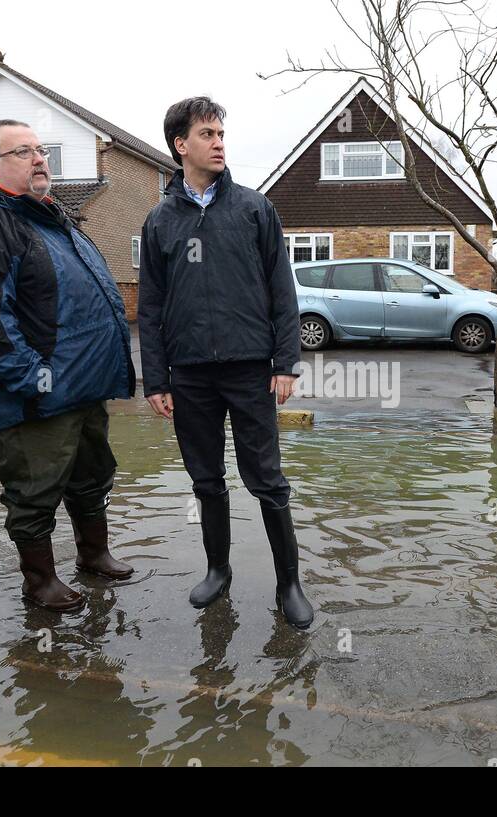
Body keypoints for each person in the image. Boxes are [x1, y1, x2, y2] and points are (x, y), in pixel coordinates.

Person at [0, 119, 136, 613]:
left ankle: (94, 555)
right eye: (24, 152)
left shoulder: (50, 216)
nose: (39, 159)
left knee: (92, 476)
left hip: (84, 386)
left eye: (42, 151)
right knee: (34, 492)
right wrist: (32, 379)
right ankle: (40, 581)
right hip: (41, 393)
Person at [138, 97, 313, 629]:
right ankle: (218, 569)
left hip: (249, 368)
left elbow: (283, 291)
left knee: (267, 478)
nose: (218, 143)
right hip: (190, 374)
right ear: (180, 145)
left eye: (221, 134)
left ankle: (290, 583)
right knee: (206, 478)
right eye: (208, 134)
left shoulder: (254, 209)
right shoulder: (160, 220)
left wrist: (285, 362)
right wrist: (157, 377)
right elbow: (150, 305)